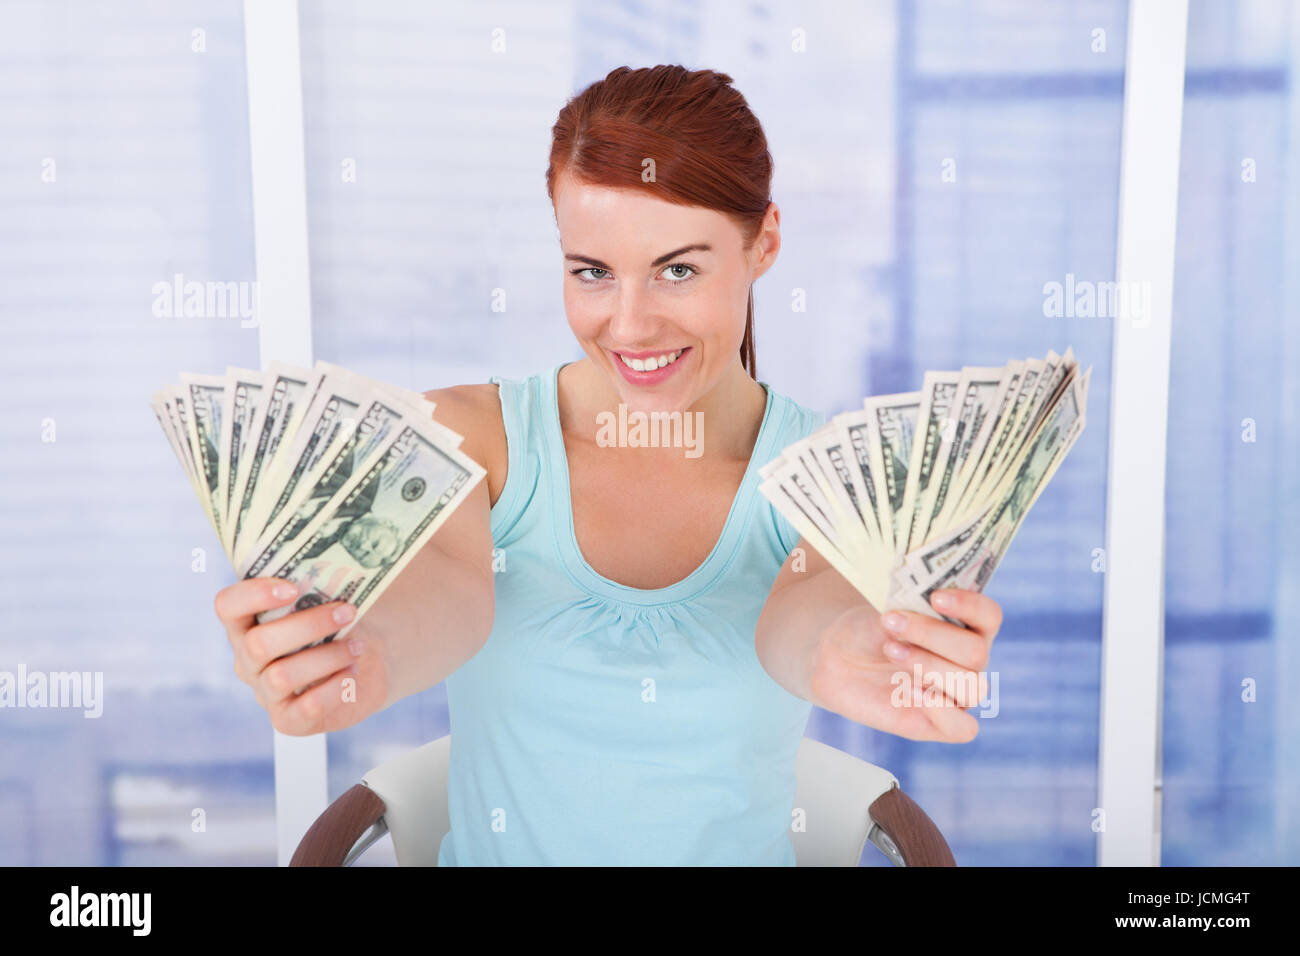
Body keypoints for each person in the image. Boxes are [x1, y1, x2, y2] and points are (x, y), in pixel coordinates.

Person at [213, 65, 1003, 865]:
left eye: (678, 269)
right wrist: (355, 652)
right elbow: (446, 594)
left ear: (764, 241)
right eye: (591, 271)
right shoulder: (474, 439)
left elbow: (802, 627)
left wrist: (855, 650)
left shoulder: (825, 476)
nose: (629, 326)